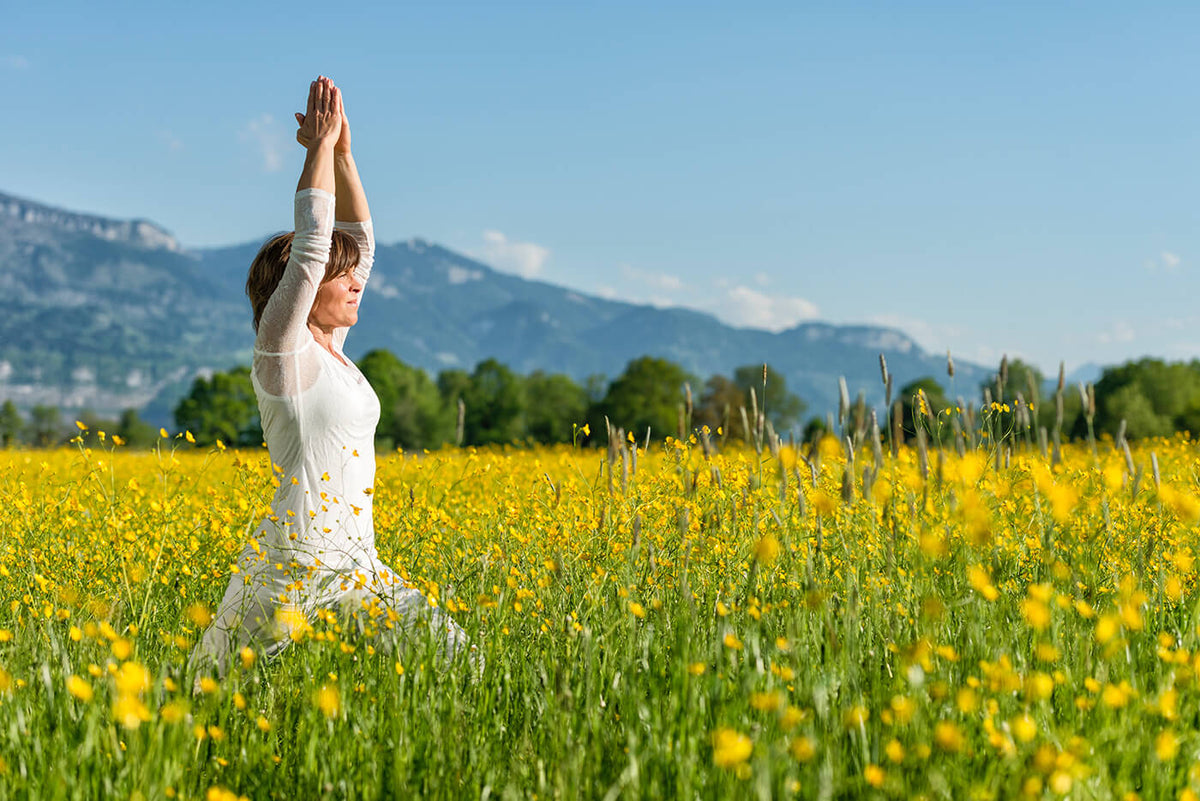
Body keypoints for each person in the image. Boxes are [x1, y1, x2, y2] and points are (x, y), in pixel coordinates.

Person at [190, 77, 477, 683]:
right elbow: (316, 247)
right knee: (208, 691)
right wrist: (316, 149)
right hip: (291, 566)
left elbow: (359, 248)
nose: (354, 283)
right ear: (300, 291)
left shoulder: (334, 352)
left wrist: (345, 154)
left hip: (354, 563)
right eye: (335, 276)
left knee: (459, 659)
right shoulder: (283, 352)